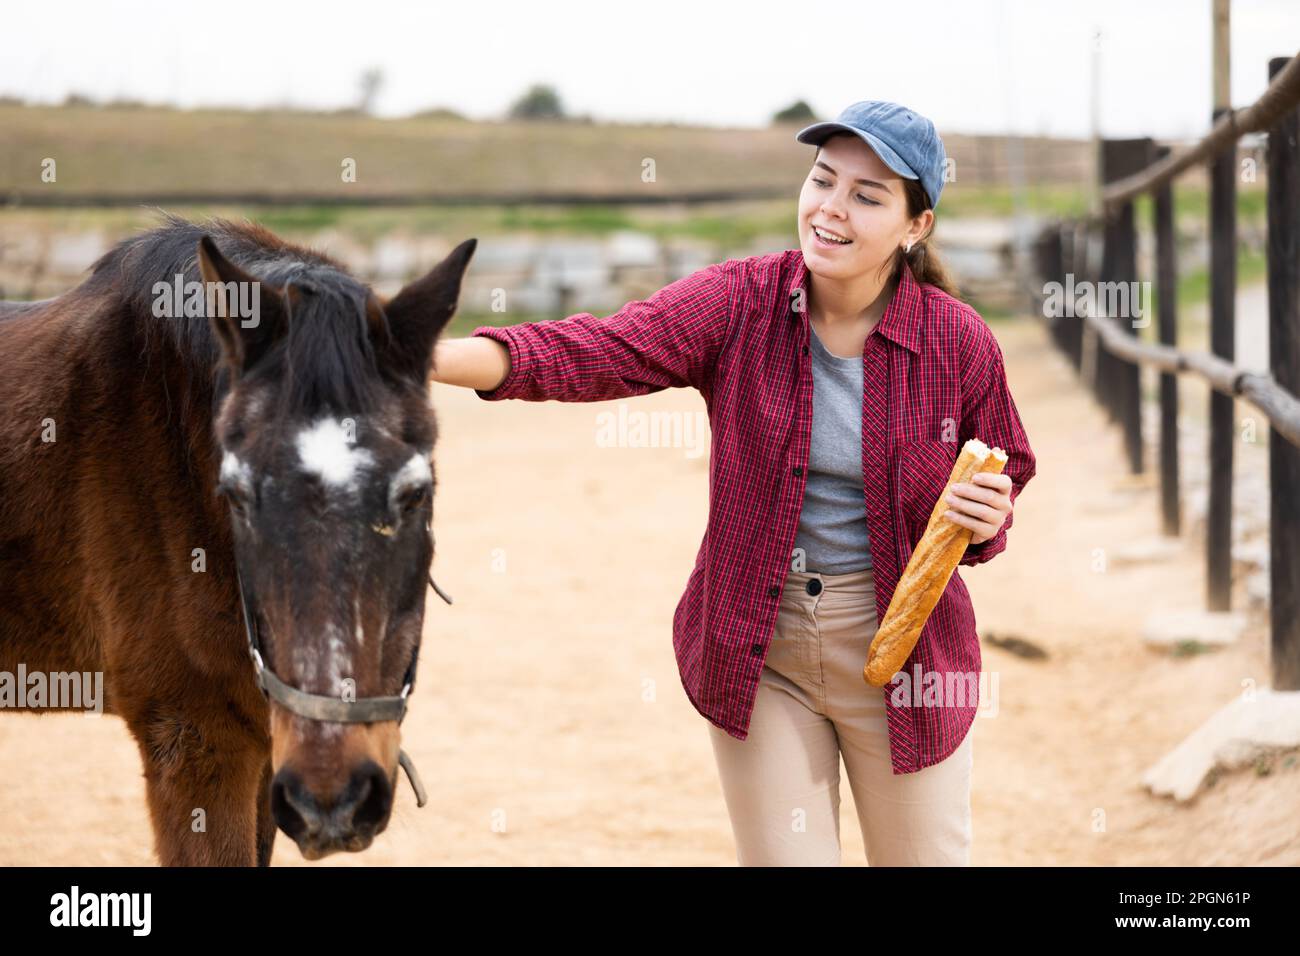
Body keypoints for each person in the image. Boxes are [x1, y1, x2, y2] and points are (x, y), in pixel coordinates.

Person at [430, 100, 1036, 866]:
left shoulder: (958, 343)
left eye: (868, 195)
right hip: (760, 645)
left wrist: (987, 517)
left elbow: (1004, 470)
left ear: (916, 227)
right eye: (823, 180)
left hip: (908, 658)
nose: (831, 208)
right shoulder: (740, 301)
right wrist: (414, 353)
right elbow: (599, 349)